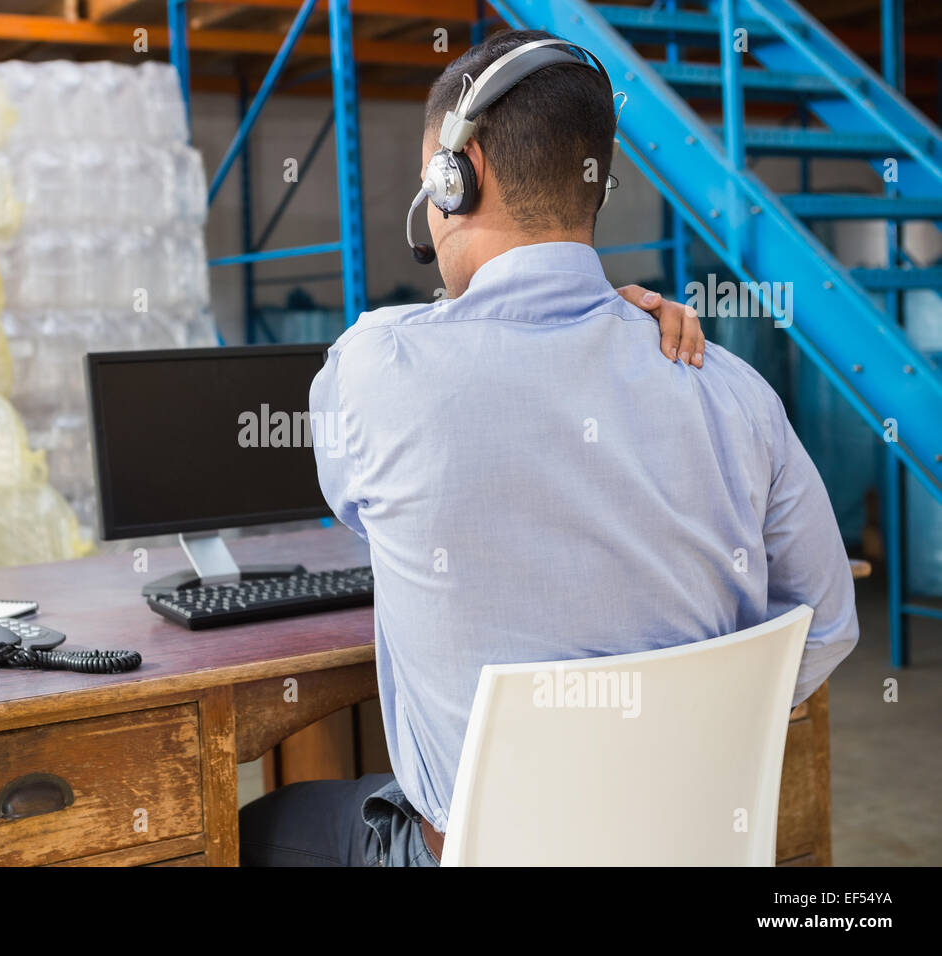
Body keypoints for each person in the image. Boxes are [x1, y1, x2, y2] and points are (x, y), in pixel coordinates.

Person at [238, 29, 858, 867]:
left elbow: (361, 495)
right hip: (687, 851)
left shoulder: (374, 370)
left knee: (258, 830)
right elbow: (824, 626)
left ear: (460, 177)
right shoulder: (731, 388)